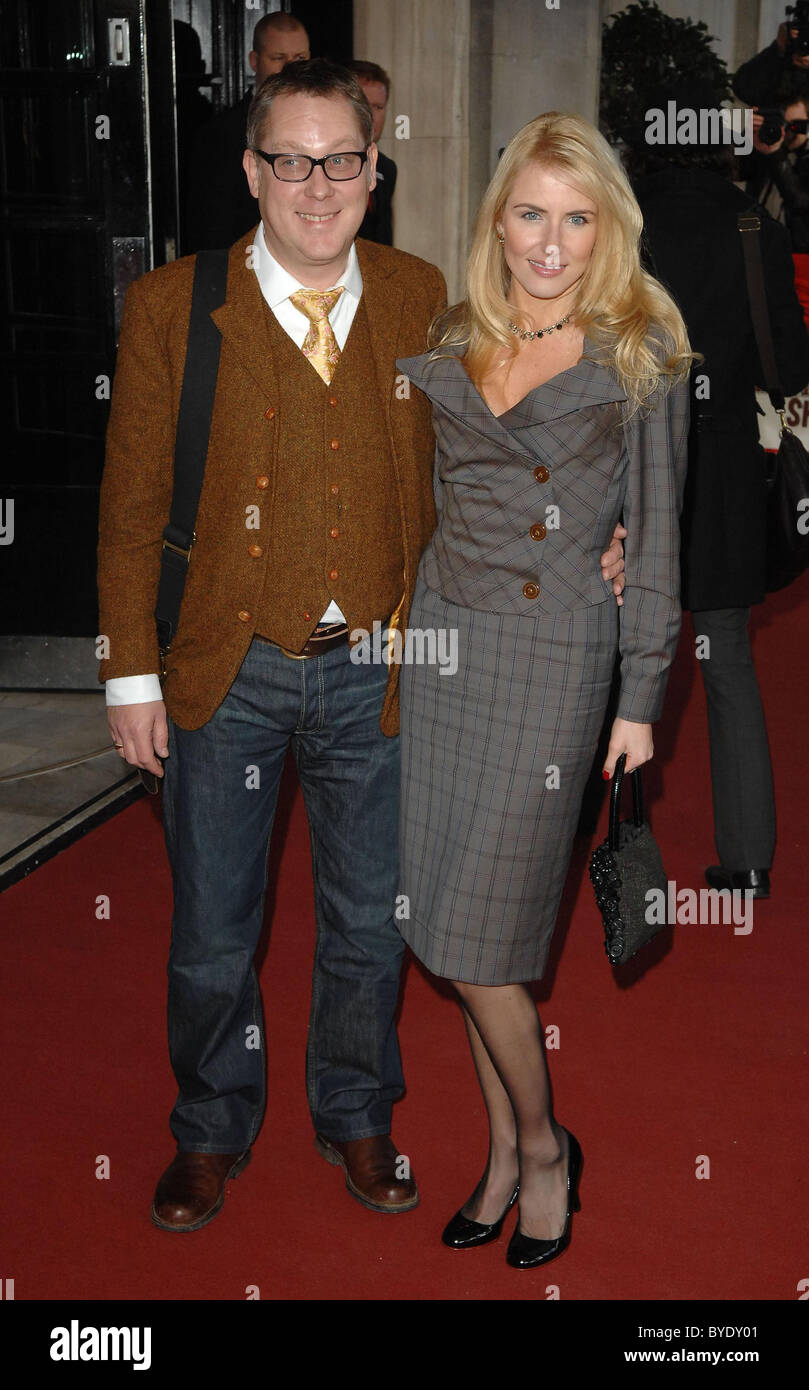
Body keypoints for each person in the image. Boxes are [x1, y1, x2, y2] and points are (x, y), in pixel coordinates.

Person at [98, 61, 627, 1235]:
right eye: (290, 159)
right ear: (252, 171)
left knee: (369, 920)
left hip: (387, 671)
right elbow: (131, 504)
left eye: (342, 158)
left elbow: (498, 455)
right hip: (221, 667)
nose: (317, 184)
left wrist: (598, 532)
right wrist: (127, 670)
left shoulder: (421, 297)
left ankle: (354, 1110)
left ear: (373, 170)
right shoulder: (170, 310)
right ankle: (210, 1126)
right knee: (213, 929)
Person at [395, 111, 694, 1268]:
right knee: (476, 943)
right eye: (531, 213)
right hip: (444, 655)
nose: (551, 242)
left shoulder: (641, 357)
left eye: (577, 219)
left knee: (473, 945)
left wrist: (639, 694)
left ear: (606, 228)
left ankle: (545, 1146)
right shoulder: (449, 335)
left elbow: (655, 541)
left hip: (556, 664)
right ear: (497, 220)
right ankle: (503, 1156)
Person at [629, 115, 809, 898]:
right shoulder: (750, 226)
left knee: (616, 661)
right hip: (729, 465)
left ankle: (594, 848)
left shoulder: (618, 219)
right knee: (726, 658)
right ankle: (745, 859)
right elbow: (791, 364)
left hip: (630, 462)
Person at [184, 11, 310, 252]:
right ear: (255, 61)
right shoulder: (217, 137)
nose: (290, 68)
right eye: (278, 57)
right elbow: (209, 231)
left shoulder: (328, 128)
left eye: (300, 57)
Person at [345, 61, 397, 244]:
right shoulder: (325, 163)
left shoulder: (387, 168)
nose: (372, 116)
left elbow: (384, 239)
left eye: (378, 107)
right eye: (365, 105)